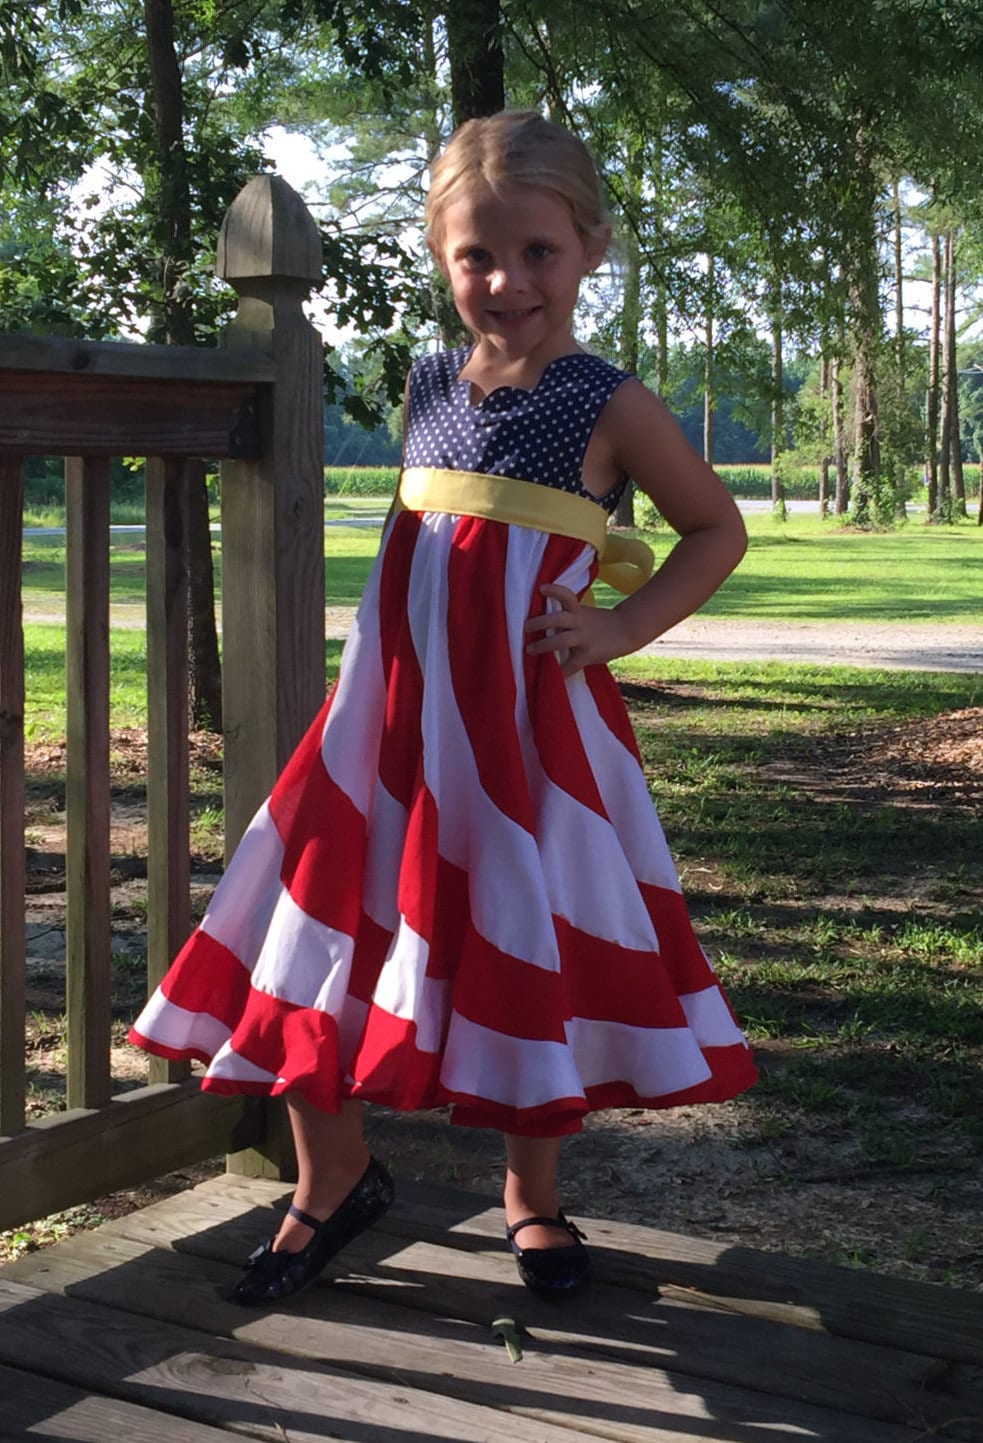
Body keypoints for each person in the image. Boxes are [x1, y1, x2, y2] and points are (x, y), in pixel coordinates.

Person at [131, 108, 757, 1307]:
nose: (505, 281)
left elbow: (711, 528)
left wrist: (620, 627)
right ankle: (331, 1175)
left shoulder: (605, 401)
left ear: (587, 251)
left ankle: (532, 1197)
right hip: (388, 728)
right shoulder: (426, 380)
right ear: (439, 255)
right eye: (475, 255)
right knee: (309, 922)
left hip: (528, 738)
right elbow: (419, 549)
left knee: (527, 937)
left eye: (537, 253)